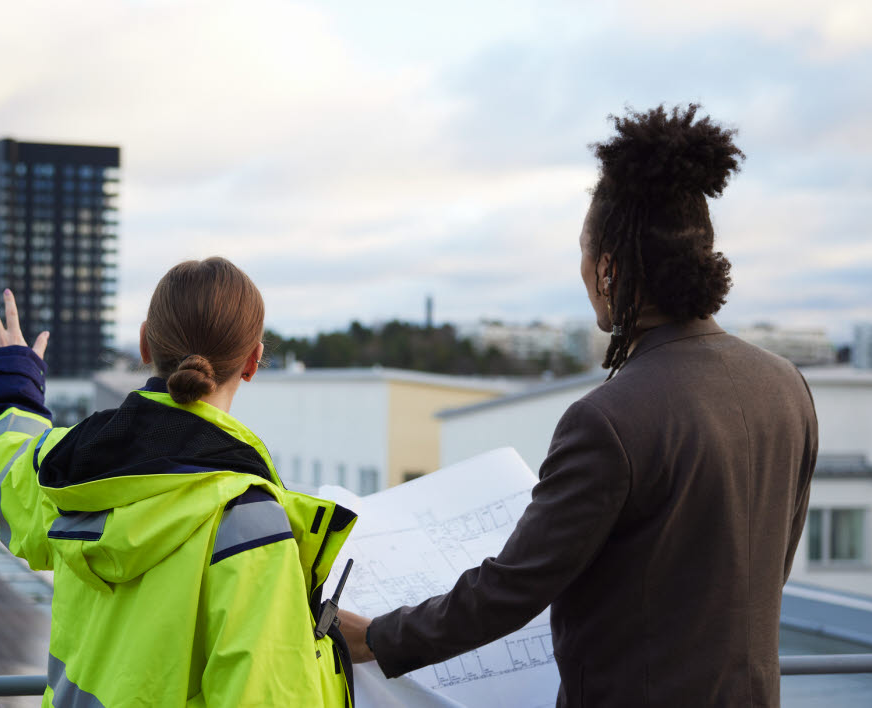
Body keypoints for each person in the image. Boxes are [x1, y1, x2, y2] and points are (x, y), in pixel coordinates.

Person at [339, 105, 818, 707]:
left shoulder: (609, 420)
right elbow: (767, 571)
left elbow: (509, 591)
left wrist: (375, 637)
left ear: (610, 269)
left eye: (585, 254)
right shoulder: (786, 385)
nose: (583, 271)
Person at [0, 257, 358, 707]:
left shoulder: (68, 468)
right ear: (253, 361)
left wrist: (13, 377)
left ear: (146, 343)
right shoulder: (249, 521)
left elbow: (0, 476)